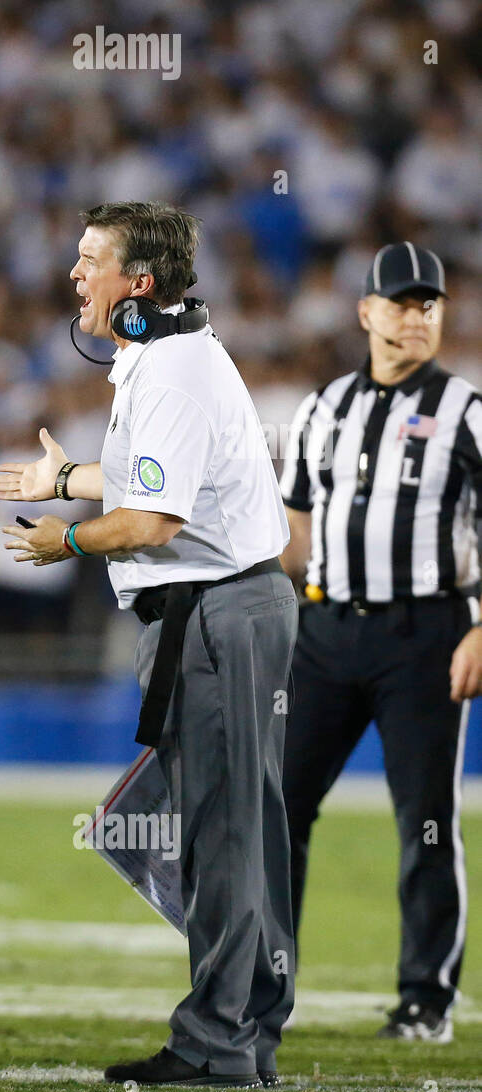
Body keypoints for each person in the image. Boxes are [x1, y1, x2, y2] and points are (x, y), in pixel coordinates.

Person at [0, 201, 296, 1088]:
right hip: (222, 611)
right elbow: (155, 481)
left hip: (216, 615)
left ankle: (218, 1043)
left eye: (92, 260)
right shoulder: (168, 355)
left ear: (139, 282)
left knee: (221, 836)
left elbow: (156, 518)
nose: (75, 275)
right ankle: (250, 1026)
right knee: (233, 830)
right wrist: (72, 479)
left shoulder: (167, 371)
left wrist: (67, 538)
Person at [279, 242, 482, 1042]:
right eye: (399, 303)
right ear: (366, 312)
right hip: (324, 628)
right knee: (278, 807)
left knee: (425, 818)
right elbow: (294, 530)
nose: (414, 318)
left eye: (428, 305)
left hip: (424, 632)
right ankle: (262, 982)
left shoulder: (468, 410)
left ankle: (425, 999)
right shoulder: (323, 406)